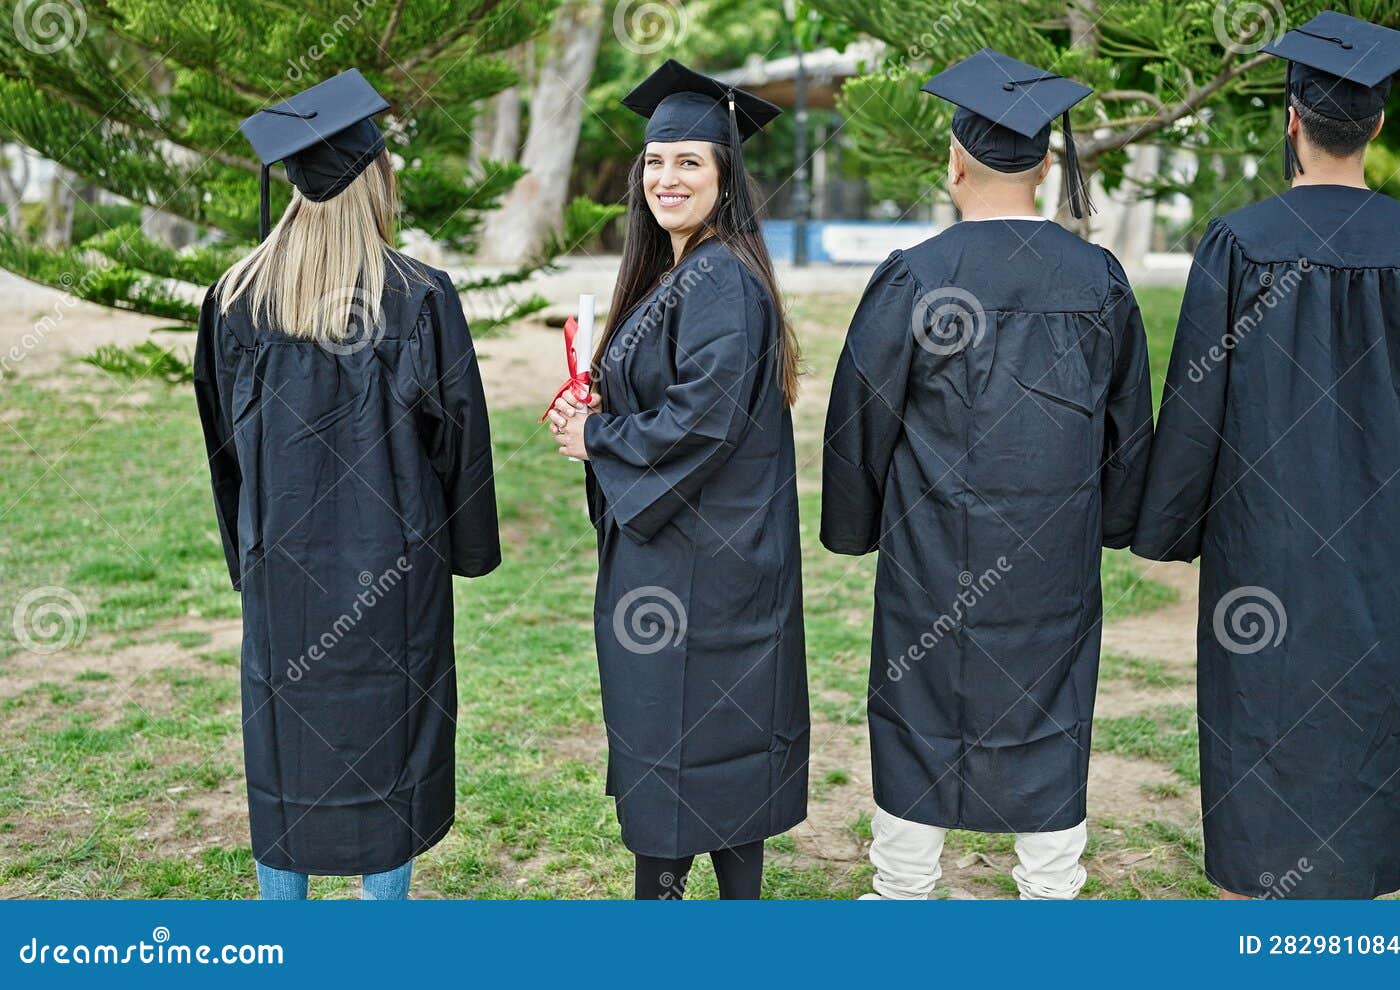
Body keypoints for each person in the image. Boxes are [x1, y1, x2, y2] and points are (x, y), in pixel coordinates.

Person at [1131, 11, 1400, 899]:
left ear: (1291, 120)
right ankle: (1359, 890)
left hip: (1261, 546)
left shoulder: (1238, 242)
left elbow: (1195, 407)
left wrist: (1169, 521)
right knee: (1370, 698)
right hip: (1382, 546)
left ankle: (1266, 892)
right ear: (1375, 125)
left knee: (1261, 703)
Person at [820, 49, 1153, 899]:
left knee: (921, 695)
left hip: (934, 543)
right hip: (1056, 549)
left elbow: (862, 417)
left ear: (954, 160)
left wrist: (856, 528)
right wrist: (1110, 521)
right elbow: (1129, 421)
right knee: (1051, 699)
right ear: (1048, 164)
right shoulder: (1098, 279)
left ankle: (902, 890)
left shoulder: (916, 275)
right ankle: (1049, 888)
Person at [195, 69, 500, 900]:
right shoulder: (420, 298)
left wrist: (249, 555)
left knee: (285, 747)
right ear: (376, 183)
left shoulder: (234, 302)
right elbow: (460, 446)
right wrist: (462, 552)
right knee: (386, 747)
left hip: (282, 578)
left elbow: (225, 451)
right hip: (394, 576)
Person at [546, 60, 807, 900]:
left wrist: (600, 435)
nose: (667, 178)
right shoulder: (680, 270)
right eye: (656, 163)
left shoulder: (721, 277)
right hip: (685, 565)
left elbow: (702, 421)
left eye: (690, 162)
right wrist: (596, 414)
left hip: (707, 573)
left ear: (726, 177)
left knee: (698, 760)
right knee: (694, 763)